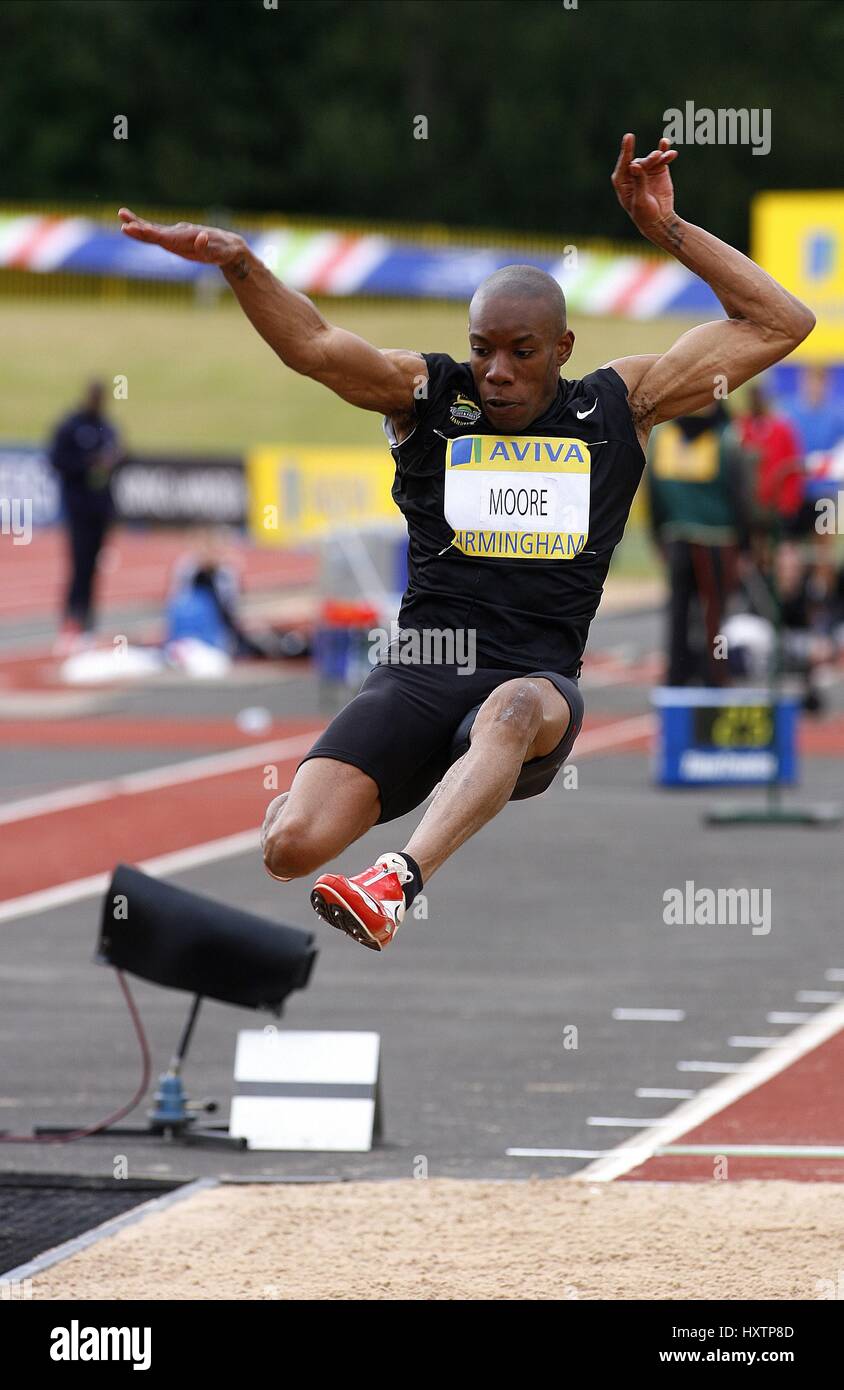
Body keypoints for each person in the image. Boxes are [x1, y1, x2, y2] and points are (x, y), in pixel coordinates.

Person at [118, 133, 815, 953]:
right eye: (484, 350)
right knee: (288, 848)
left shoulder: (620, 405)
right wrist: (241, 264)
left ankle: (397, 881)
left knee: (512, 708)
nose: (498, 374)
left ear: (562, 351)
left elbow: (782, 320)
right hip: (420, 671)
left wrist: (667, 229)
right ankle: (377, 802)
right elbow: (313, 347)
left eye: (522, 355)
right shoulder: (427, 396)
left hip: (534, 681)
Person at [647, 401, 752, 686]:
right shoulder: (727, 438)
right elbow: (740, 496)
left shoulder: (663, 437)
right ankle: (713, 678)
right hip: (719, 540)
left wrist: (658, 535)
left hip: (677, 538)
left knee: (679, 613)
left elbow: (653, 494)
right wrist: (745, 544)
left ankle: (676, 678)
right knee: (714, 614)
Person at [48, 380, 122, 652]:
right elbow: (56, 460)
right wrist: (87, 464)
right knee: (78, 565)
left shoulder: (108, 427)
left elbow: (122, 456)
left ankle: (88, 622)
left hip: (101, 509)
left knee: (92, 567)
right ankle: (71, 620)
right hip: (78, 508)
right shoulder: (71, 426)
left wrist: (114, 460)